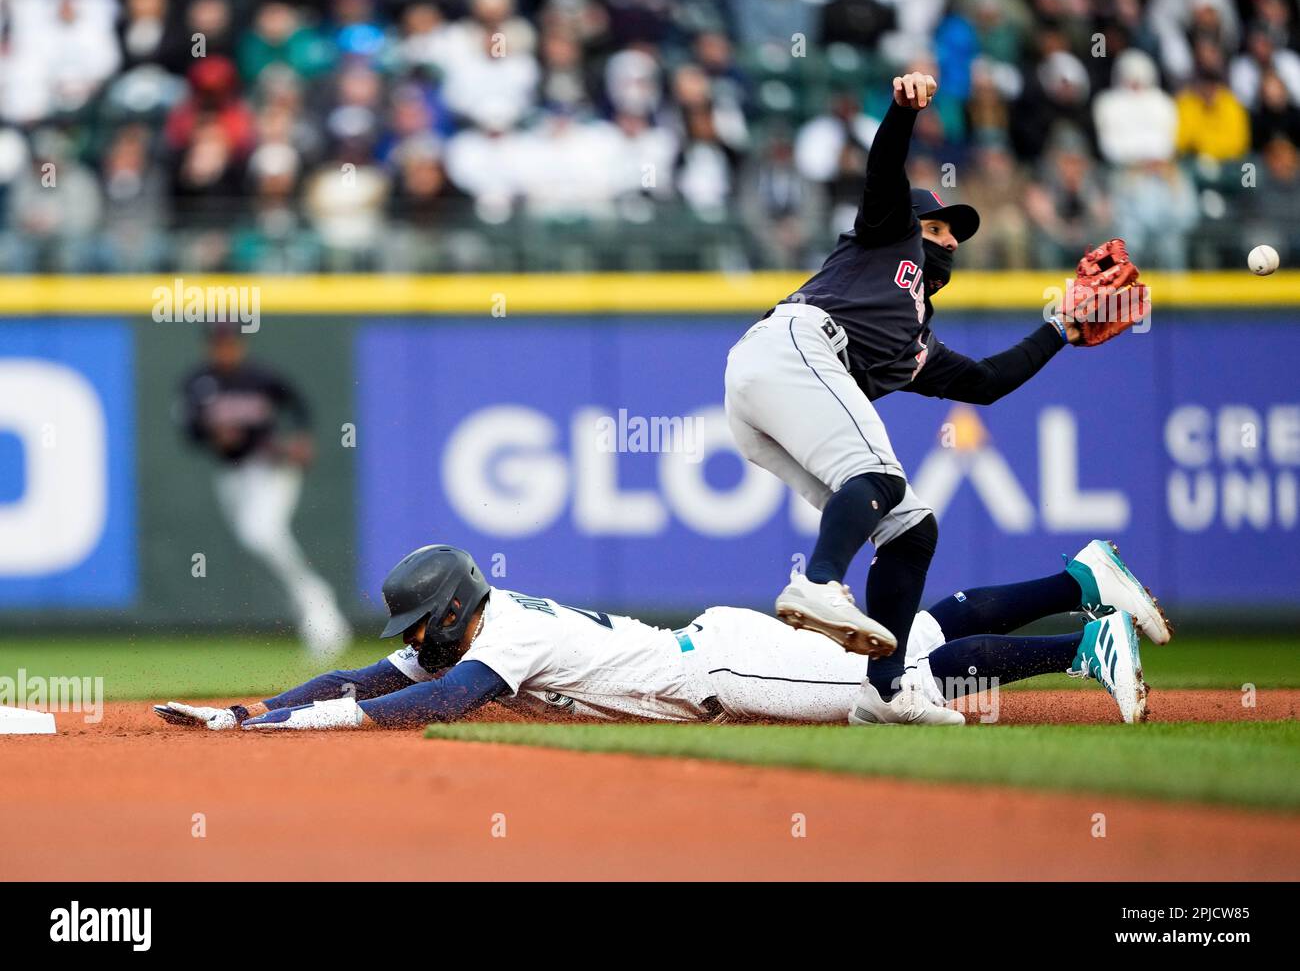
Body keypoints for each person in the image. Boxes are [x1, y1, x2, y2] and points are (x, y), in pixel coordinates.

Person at [722, 71, 1113, 727]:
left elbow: (985, 382)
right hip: (793, 344)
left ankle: (884, 692)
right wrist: (902, 112)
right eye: (939, 227)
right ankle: (817, 583)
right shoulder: (889, 232)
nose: (950, 239)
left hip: (763, 397)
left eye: (955, 233)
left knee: (910, 526)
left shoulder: (914, 342)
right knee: (877, 475)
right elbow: (882, 168)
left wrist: (1061, 330)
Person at [154, 539, 1172, 732]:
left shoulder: (502, 637)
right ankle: (1077, 580)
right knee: (917, 630)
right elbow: (365, 675)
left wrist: (297, 730)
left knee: (893, 682)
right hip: (709, 650)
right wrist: (254, 712)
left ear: (455, 606)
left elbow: (436, 704)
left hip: (727, 666)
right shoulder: (469, 630)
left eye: (423, 622)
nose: (415, 639)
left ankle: (1081, 640)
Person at [176, 324, 352, 655]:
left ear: (241, 345)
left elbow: (300, 405)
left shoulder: (260, 377)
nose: (225, 349)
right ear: (209, 348)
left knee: (259, 533)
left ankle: (319, 609)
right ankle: (311, 608)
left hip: (272, 467)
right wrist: (211, 433)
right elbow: (188, 431)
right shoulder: (199, 382)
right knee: (258, 539)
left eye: (231, 343)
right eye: (219, 344)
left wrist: (302, 438)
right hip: (232, 474)